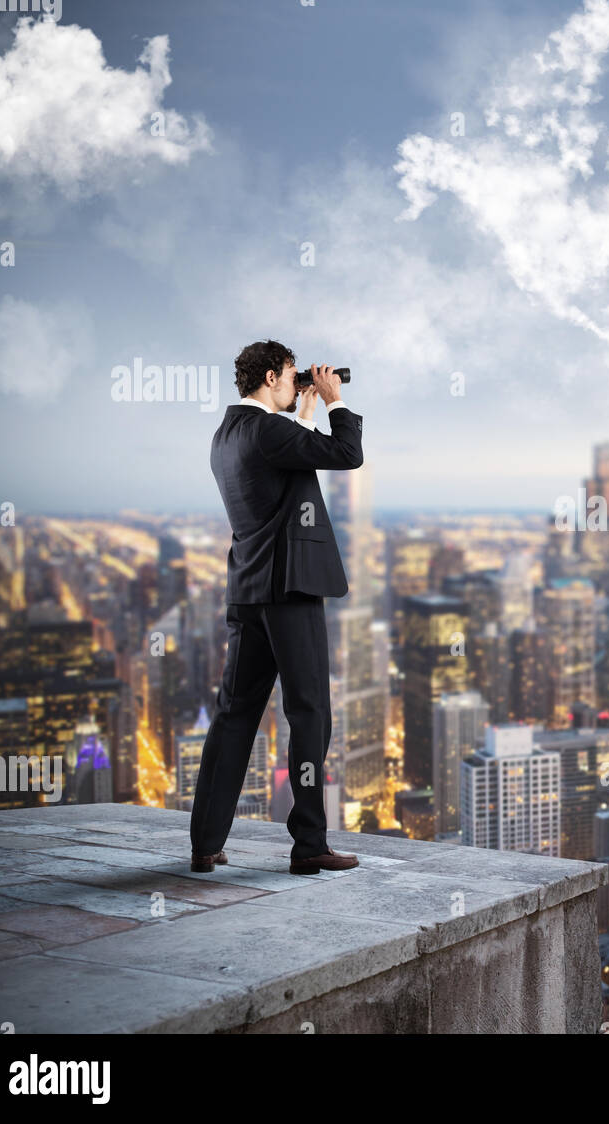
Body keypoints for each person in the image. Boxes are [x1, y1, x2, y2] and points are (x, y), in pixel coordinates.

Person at [189, 339, 364, 875]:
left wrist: (301, 407)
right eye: (291, 376)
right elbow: (346, 454)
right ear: (270, 378)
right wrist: (334, 400)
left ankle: (205, 842)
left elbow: (288, 461)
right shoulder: (268, 430)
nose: (297, 384)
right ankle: (309, 844)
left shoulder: (228, 434)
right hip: (289, 590)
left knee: (234, 714)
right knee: (308, 713)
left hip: (248, 591)